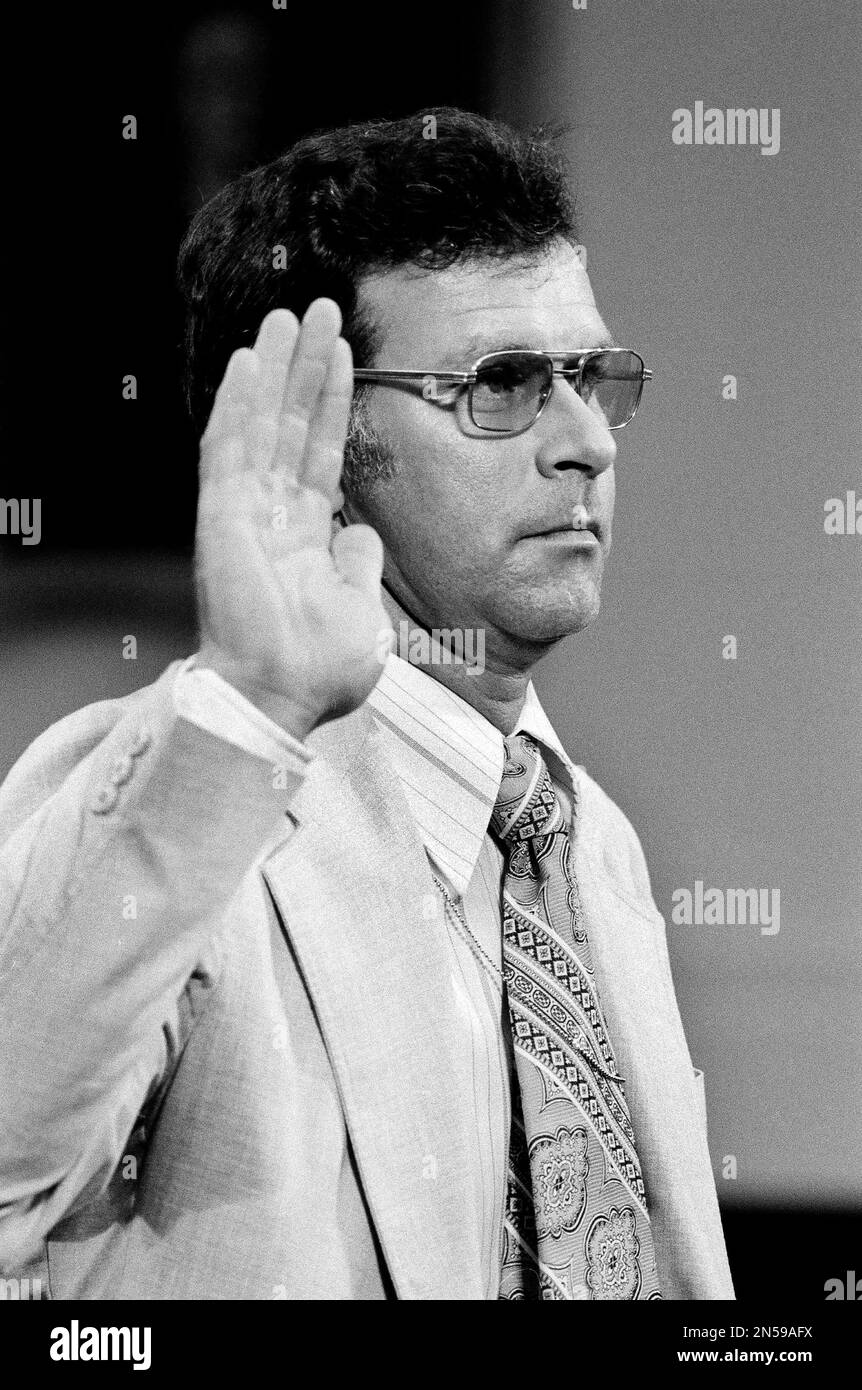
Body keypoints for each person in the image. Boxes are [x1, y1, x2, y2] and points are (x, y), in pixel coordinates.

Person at [0, 108, 733, 1300]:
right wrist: (243, 710)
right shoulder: (186, 803)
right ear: (323, 439)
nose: (588, 440)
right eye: (503, 384)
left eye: (591, 377)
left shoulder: (584, 845)